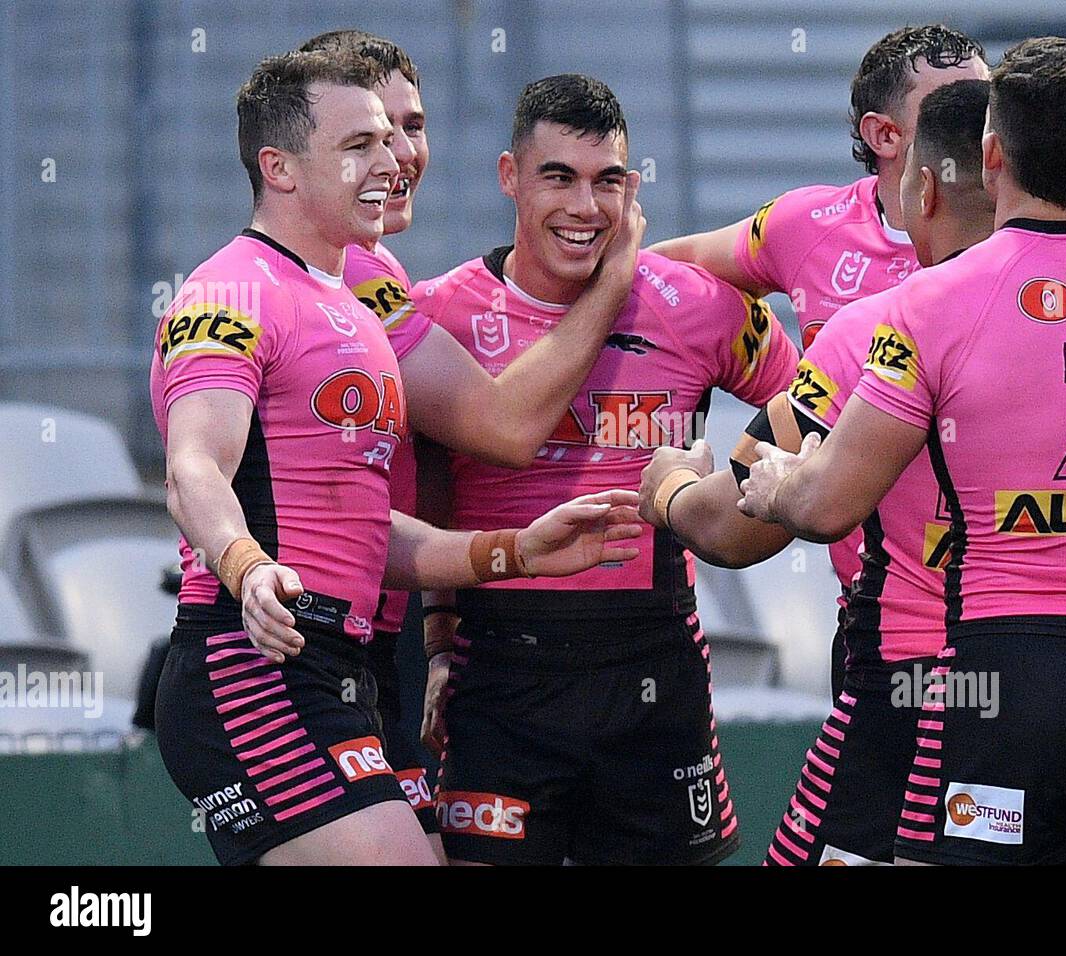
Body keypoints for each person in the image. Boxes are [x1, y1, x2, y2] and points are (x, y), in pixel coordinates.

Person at [736, 38, 1066, 864]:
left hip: (1004, 671)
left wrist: (770, 483)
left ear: (991, 152)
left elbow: (824, 505)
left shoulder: (929, 303)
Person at [150, 50, 642, 866]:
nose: (393, 162)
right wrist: (246, 565)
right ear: (279, 168)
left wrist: (517, 552)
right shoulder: (230, 291)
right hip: (255, 663)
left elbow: (368, 533)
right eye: (360, 147)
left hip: (345, 664)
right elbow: (191, 469)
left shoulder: (348, 297)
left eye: (397, 136)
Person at [413, 74, 799, 865]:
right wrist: (438, 639)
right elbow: (421, 492)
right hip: (501, 676)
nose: (586, 208)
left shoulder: (699, 304)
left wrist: (724, 490)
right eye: (558, 177)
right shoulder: (437, 314)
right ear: (509, 177)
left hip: (654, 670)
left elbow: (822, 403)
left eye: (608, 181)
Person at [294, 30, 646, 847]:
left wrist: (439, 637)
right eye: (371, 136)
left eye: (411, 127)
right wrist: (617, 278)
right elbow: (504, 428)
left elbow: (420, 478)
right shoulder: (341, 275)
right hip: (297, 654)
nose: (402, 154)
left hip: (373, 651)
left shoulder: (372, 275)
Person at [641, 79, 994, 864]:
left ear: (922, 187)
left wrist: (667, 485)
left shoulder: (876, 328)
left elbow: (733, 523)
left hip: (918, 676)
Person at [651, 24, 987, 695]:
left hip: (995, 615)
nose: (978, 127)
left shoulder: (1022, 244)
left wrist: (669, 489)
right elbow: (664, 274)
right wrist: (773, 370)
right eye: (954, 107)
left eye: (987, 103)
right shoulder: (807, 226)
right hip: (875, 617)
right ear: (884, 135)